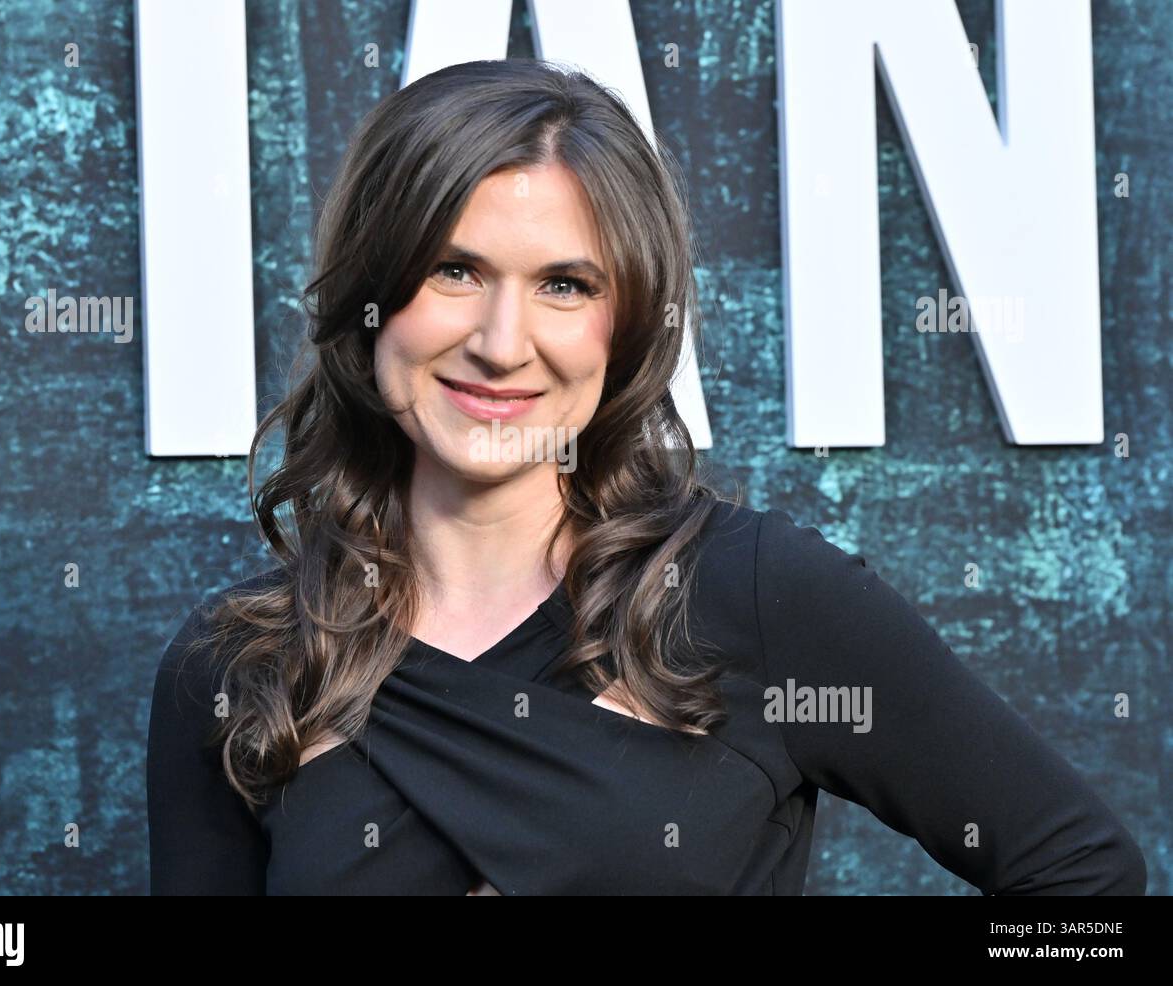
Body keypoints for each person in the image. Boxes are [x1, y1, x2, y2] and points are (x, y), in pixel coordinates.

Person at [146, 58, 1147, 895]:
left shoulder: (753, 596)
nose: (501, 342)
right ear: (373, 298)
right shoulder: (238, 659)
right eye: (454, 270)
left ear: (627, 326)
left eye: (565, 285)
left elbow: (1082, 880)